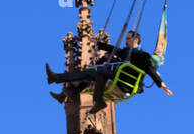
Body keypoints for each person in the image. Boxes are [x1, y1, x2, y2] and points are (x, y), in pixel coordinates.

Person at [46, 30, 174, 114]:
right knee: (91, 72)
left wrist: (161, 84)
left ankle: (96, 100)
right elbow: (114, 49)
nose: (126, 41)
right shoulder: (126, 52)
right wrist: (98, 44)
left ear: (136, 40)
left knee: (99, 72)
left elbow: (150, 69)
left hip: (125, 83)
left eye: (128, 39)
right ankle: (57, 78)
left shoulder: (143, 55)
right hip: (118, 78)